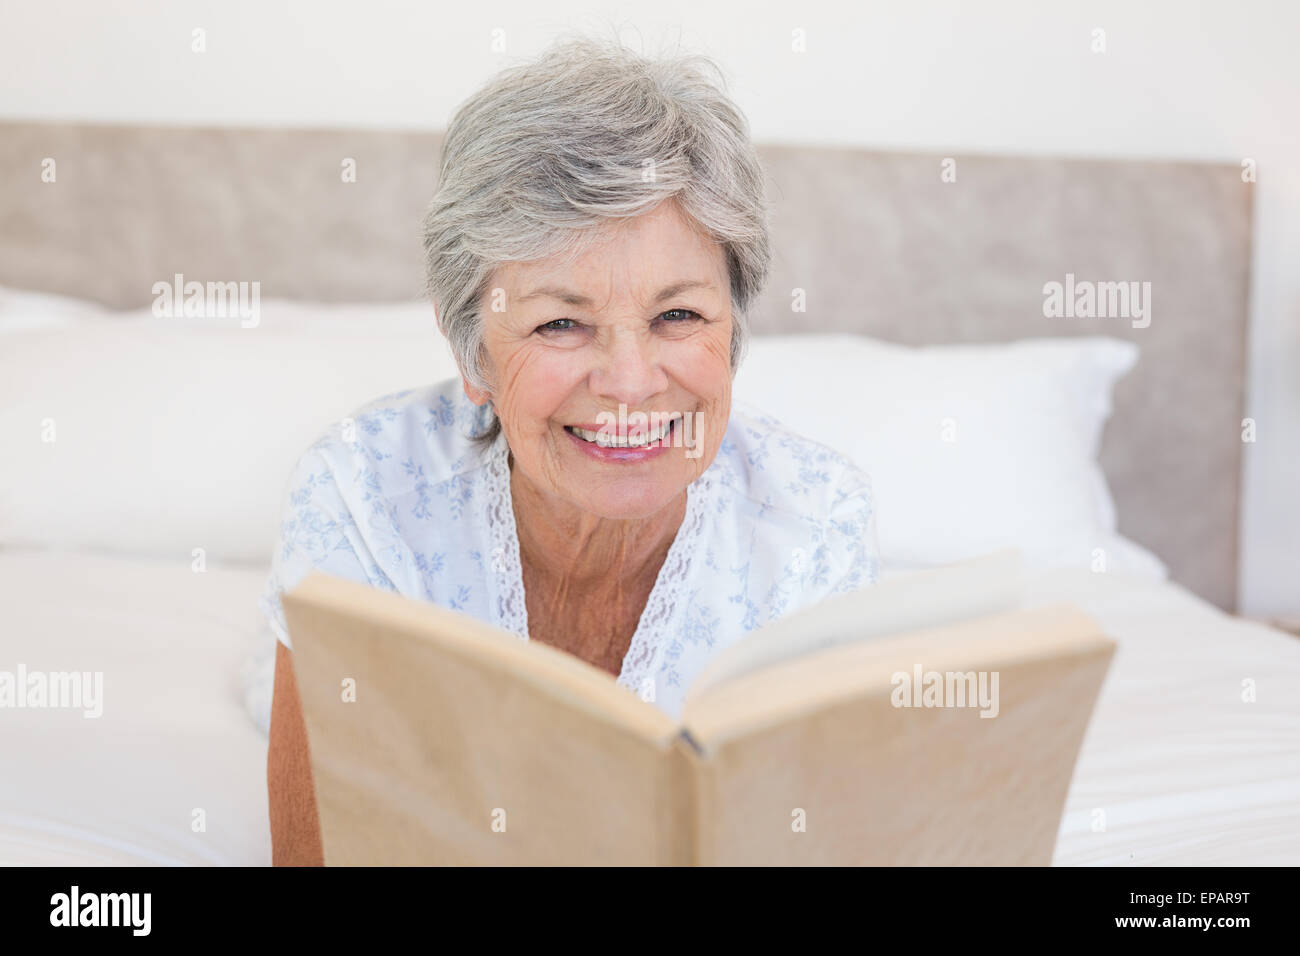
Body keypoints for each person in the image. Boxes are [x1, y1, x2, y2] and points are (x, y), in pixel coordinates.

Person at [264, 35, 879, 865]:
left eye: (679, 316)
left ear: (732, 333)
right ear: (473, 352)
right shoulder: (360, 493)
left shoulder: (815, 522)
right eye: (561, 323)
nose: (629, 383)